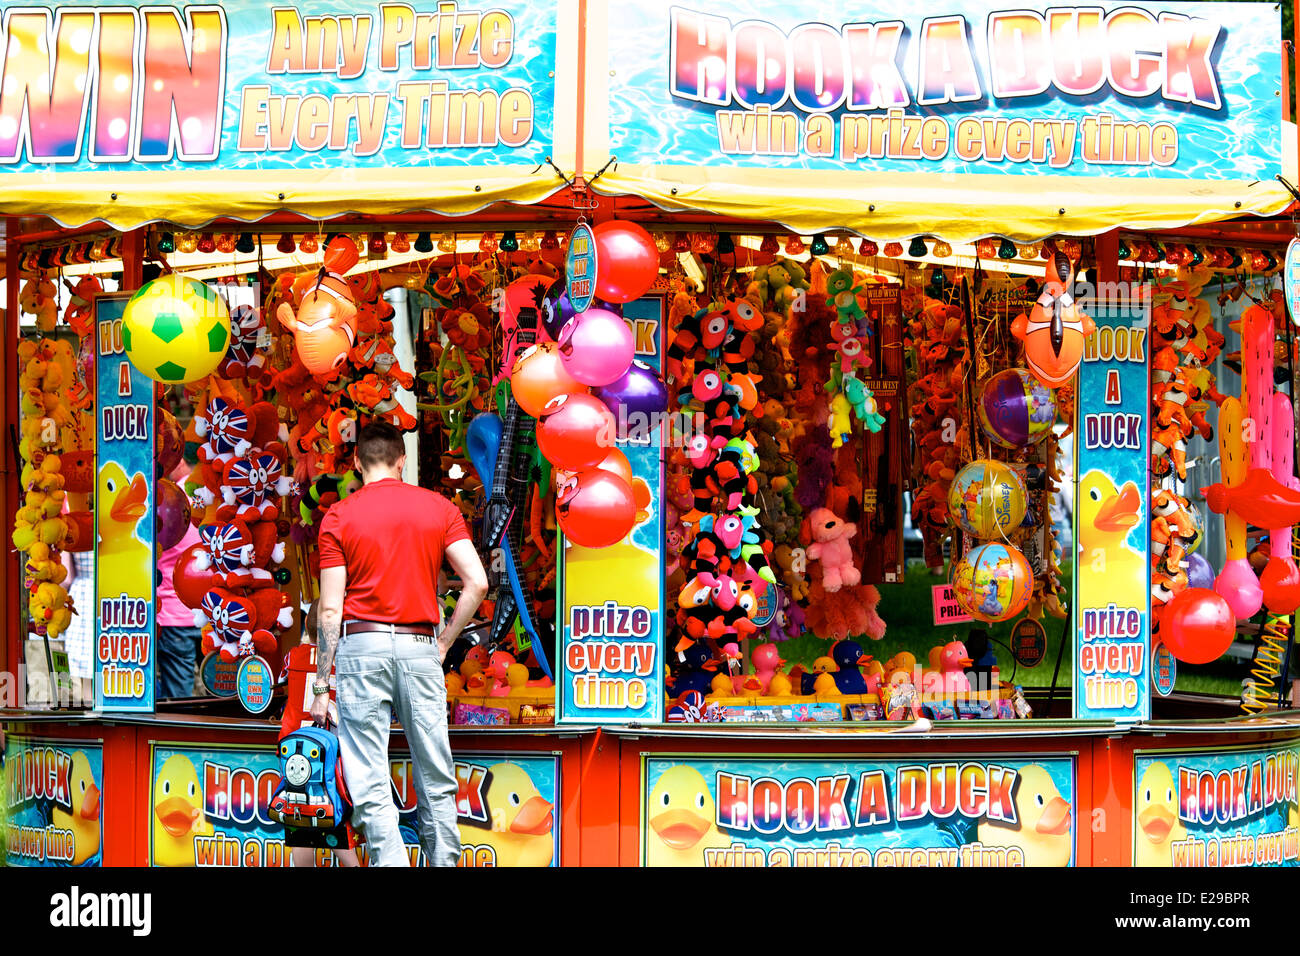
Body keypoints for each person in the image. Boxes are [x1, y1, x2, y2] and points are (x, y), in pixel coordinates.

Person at [313, 420, 488, 867]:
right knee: (436, 774)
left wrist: (320, 686)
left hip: (361, 648)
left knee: (369, 778)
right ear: (402, 460)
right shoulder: (439, 508)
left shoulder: (338, 517)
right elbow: (477, 583)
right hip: (419, 647)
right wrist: (445, 640)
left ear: (356, 462)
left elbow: (330, 610)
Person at [279, 602, 359, 867]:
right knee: (333, 815)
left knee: (299, 819)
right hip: (331, 751)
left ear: (305, 626)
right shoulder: (347, 660)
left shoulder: (294, 656)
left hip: (294, 750)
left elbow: (281, 684)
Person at [156, 462, 204, 699]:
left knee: (178, 701)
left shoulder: (168, 502)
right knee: (223, 696)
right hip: (212, 614)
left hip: (174, 617)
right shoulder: (209, 496)